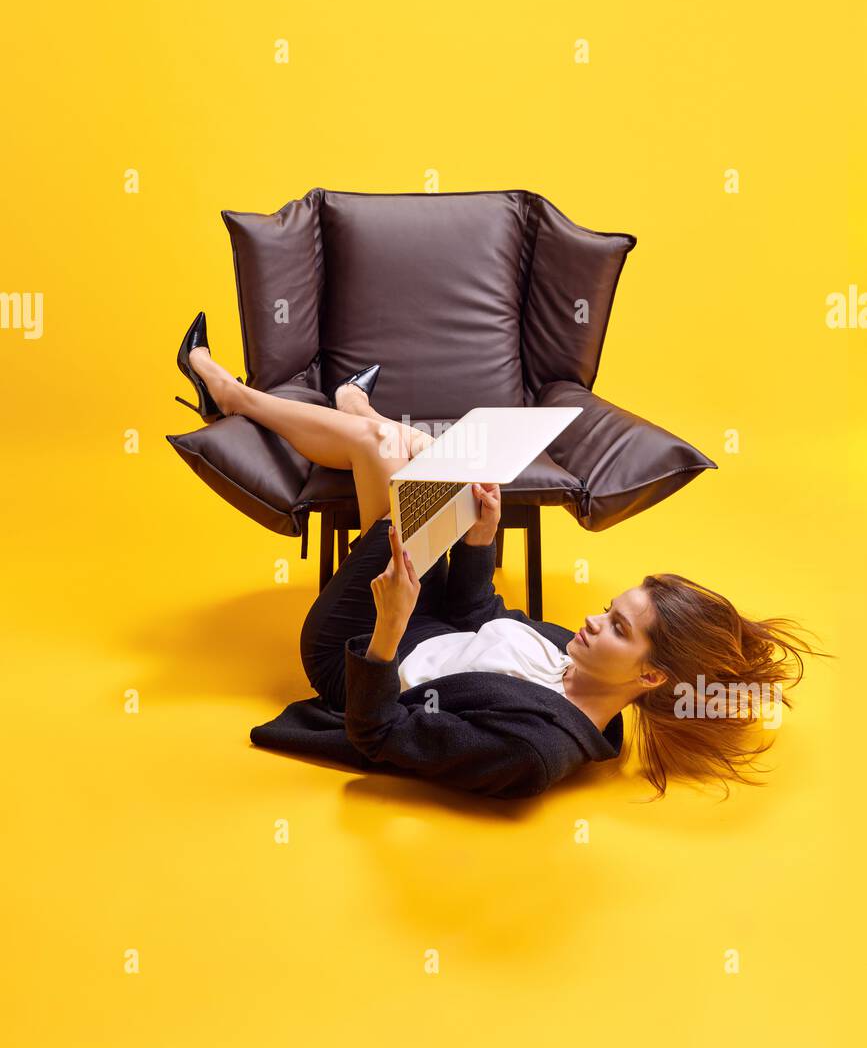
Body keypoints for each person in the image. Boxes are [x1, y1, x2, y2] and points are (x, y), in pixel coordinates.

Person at [178, 318, 819, 801]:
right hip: (417, 610)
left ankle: (238, 398)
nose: (592, 622)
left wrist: (390, 627)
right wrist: (481, 540)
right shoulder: (575, 653)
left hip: (358, 650)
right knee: (398, 458)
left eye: (619, 628)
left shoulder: (533, 751)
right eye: (610, 610)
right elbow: (480, 617)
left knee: (402, 452)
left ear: (650, 678)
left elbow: (378, 734)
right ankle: (351, 407)